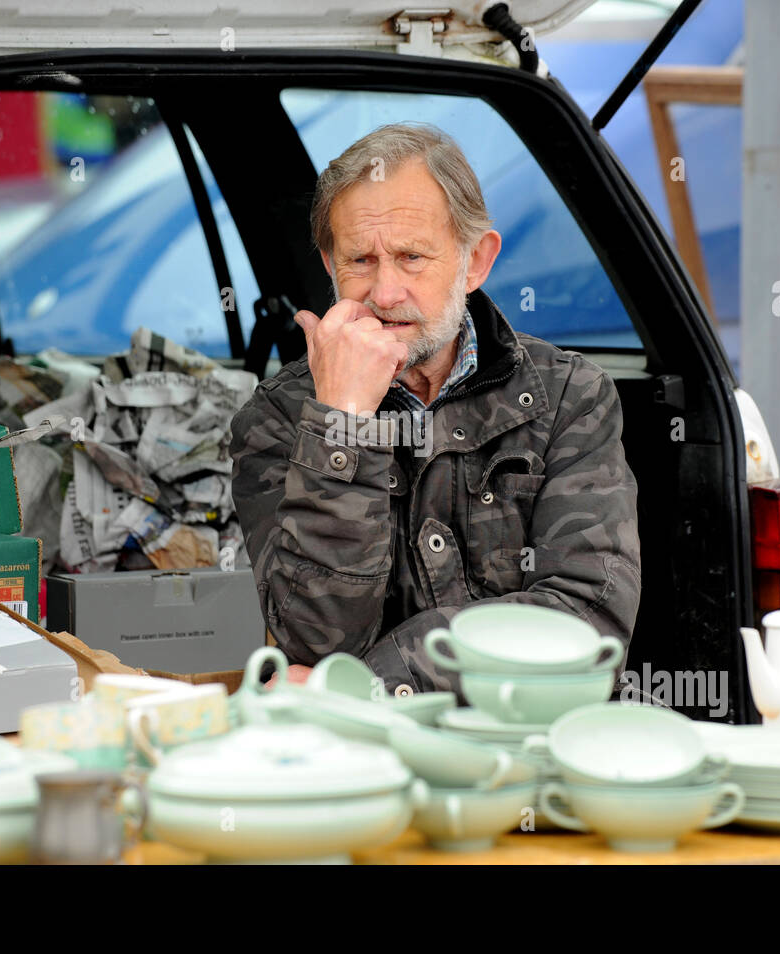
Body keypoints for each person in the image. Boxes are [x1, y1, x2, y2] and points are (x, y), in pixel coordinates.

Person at [229, 123, 640, 693]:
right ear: (329, 264)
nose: (386, 292)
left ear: (475, 261)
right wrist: (342, 425)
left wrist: (379, 684)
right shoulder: (277, 419)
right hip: (370, 756)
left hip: (540, 738)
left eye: (411, 257)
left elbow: (587, 621)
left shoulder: (570, 396)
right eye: (360, 260)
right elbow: (318, 642)